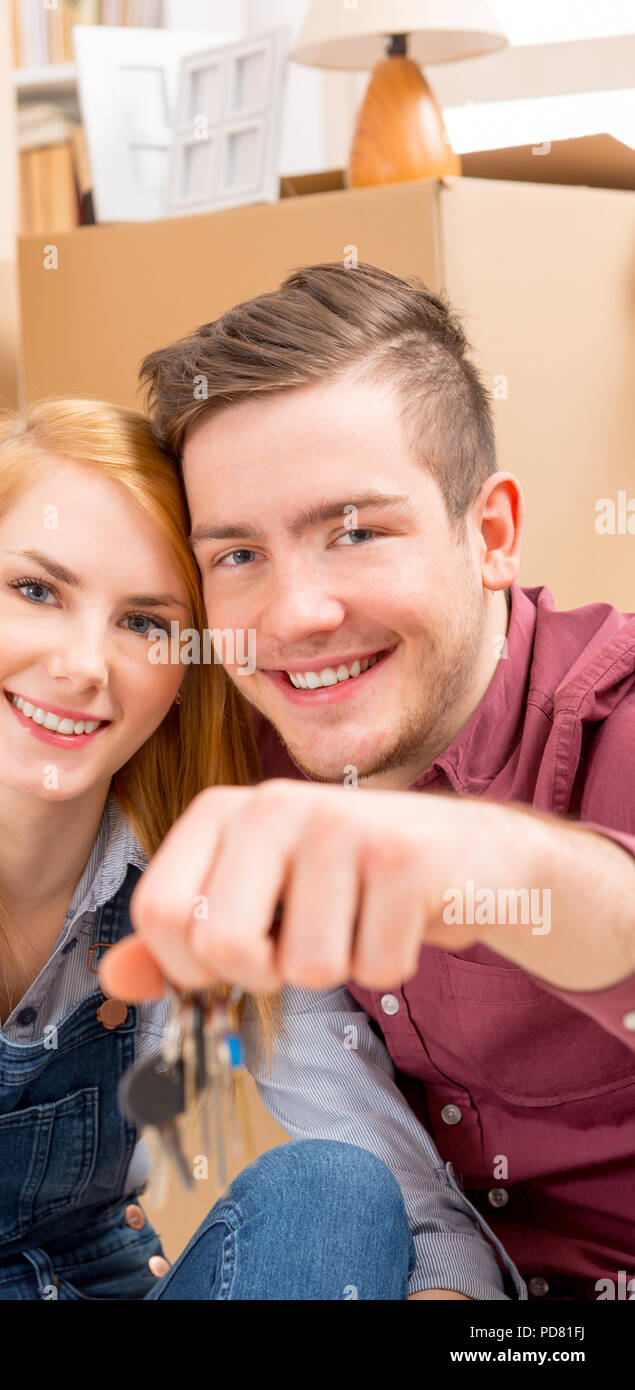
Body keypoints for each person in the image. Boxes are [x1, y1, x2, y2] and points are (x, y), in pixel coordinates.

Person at [0, 398, 512, 1302]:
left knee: (332, 1191)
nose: (85, 665)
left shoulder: (202, 866)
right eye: (36, 591)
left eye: (144, 623)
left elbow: (400, 1196)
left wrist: (445, 1297)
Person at [101, 261, 635, 1302]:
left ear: (489, 536)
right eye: (240, 554)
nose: (297, 613)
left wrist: (502, 861)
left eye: (354, 531)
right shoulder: (241, 739)